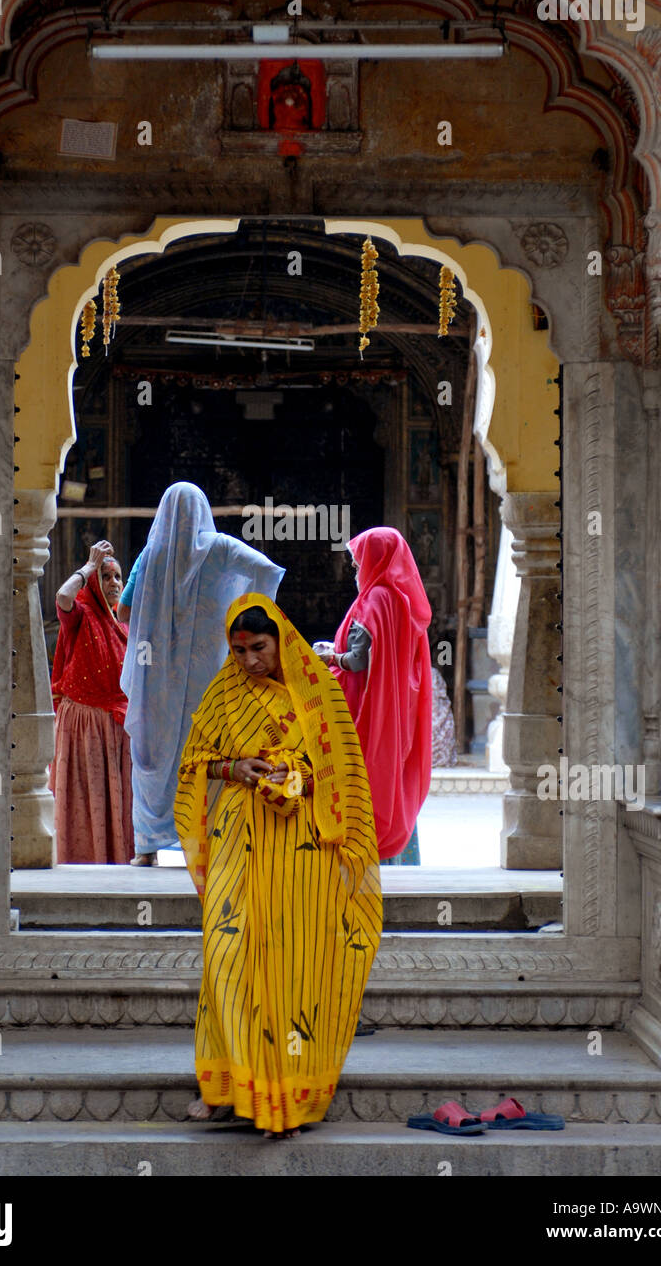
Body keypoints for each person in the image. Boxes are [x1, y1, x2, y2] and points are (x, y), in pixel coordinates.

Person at [174, 594, 382, 1138]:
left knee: (293, 964)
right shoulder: (225, 691)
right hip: (239, 837)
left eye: (258, 648)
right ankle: (226, 1087)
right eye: (238, 650)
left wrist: (294, 779)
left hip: (301, 845)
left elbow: (340, 771)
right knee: (227, 953)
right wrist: (233, 767)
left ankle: (284, 1097)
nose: (248, 661)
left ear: (281, 641)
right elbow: (194, 760)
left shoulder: (317, 690)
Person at [119, 483, 284, 866]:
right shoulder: (220, 548)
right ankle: (208, 839)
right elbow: (267, 572)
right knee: (207, 751)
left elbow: (124, 613)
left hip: (156, 677)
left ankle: (146, 847)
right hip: (206, 677)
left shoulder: (150, 556)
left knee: (154, 755)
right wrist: (243, 618)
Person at [314, 527, 433, 862]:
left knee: (363, 772)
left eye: (358, 563)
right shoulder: (400, 598)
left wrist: (329, 657)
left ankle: (364, 845)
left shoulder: (374, 600)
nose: (356, 570)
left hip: (365, 706)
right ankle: (399, 853)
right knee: (392, 774)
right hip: (394, 706)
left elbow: (358, 660)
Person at [50, 540, 133, 864]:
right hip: (83, 727)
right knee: (87, 800)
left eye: (118, 577)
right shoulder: (81, 614)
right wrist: (88, 567)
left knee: (116, 803)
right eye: (106, 576)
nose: (114, 583)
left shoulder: (124, 625)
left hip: (116, 726)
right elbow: (62, 596)